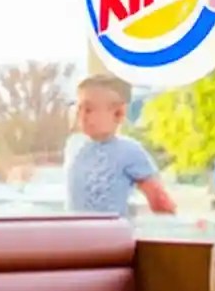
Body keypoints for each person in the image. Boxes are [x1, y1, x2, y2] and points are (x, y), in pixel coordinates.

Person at [67, 75, 177, 217]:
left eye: (88, 109)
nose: (81, 115)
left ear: (118, 114)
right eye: (78, 108)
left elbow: (159, 200)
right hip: (76, 234)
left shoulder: (129, 151)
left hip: (112, 235)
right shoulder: (74, 146)